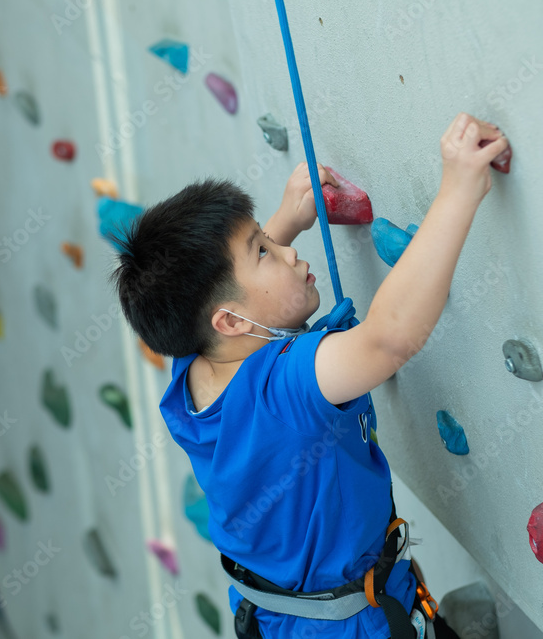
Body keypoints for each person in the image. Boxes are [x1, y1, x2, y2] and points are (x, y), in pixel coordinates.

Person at [109, 112, 509, 638]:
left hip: (277, 616)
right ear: (228, 319)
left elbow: (221, 306)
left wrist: (285, 218)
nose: (289, 252)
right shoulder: (285, 388)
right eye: (263, 252)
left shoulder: (196, 372)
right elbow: (388, 338)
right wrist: (457, 190)